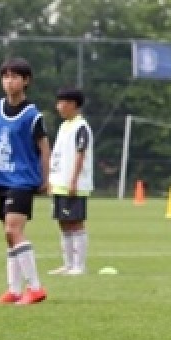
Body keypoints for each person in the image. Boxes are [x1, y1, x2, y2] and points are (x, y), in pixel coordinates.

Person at [0, 57, 51, 306]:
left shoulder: (33, 115)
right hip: (0, 176)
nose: (9, 81)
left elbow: (44, 147)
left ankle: (36, 288)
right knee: (9, 235)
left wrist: (46, 178)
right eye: (5, 76)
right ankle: (14, 290)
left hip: (22, 179)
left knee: (12, 230)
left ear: (26, 81)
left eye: (15, 77)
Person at [48, 87, 93, 276]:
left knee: (76, 222)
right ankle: (67, 264)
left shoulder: (81, 126)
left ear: (73, 105)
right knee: (63, 222)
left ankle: (79, 265)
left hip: (73, 183)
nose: (59, 107)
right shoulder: (63, 126)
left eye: (63, 103)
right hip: (59, 182)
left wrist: (74, 180)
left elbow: (80, 154)